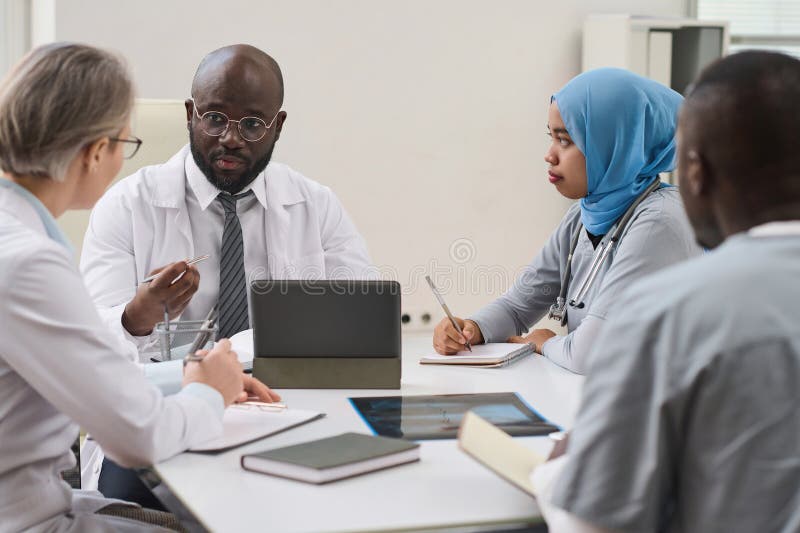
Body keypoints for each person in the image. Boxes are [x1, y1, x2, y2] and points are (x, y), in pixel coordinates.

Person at [0, 43, 279, 532]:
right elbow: (140, 437)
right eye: (124, 143)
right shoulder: (29, 264)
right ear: (95, 152)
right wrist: (208, 396)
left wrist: (195, 380)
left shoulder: (16, 238)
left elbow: (87, 373)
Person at [532, 51, 800, 532]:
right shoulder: (587, 223)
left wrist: (557, 473)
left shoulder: (666, 314)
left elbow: (590, 524)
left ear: (695, 172)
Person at [80, 43, 372, 353]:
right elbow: (89, 342)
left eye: (252, 124)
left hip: (283, 380)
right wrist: (137, 318)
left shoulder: (318, 207)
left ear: (278, 126)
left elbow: (365, 318)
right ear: (191, 114)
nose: (231, 139)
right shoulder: (126, 205)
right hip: (168, 380)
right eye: (215, 118)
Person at [432, 68, 701, 374]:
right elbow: (518, 306)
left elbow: (590, 354)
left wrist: (545, 342)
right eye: (552, 137)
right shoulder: (582, 217)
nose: (550, 155)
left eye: (565, 140)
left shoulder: (660, 222)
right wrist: (471, 329)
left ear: (615, 145)